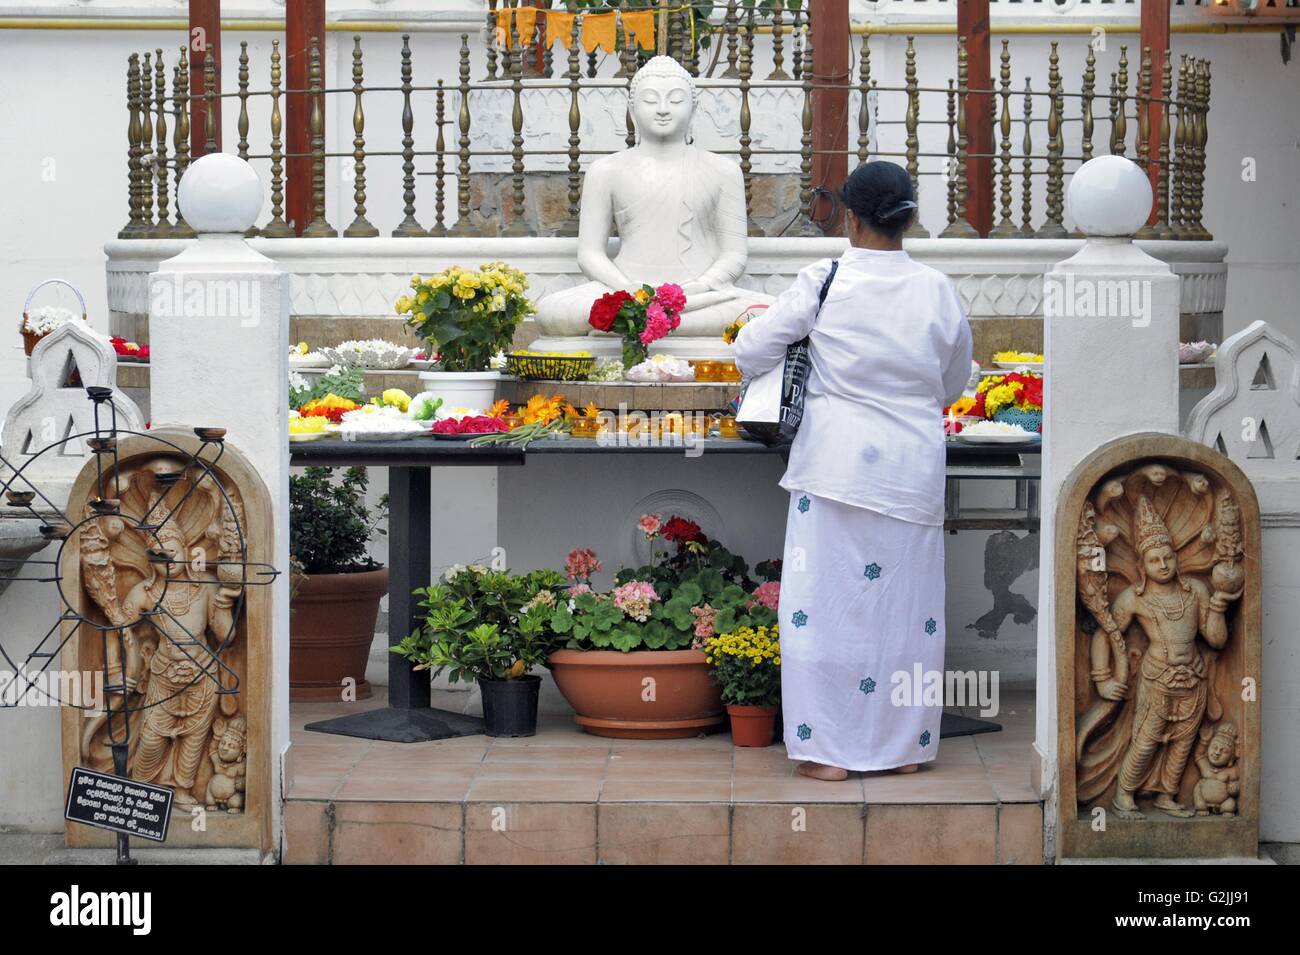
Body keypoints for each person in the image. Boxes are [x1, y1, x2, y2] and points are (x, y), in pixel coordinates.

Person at [733, 160, 973, 780]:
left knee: (826, 605)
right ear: (911, 217)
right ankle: (902, 751)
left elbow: (749, 350)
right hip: (911, 468)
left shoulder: (825, 279)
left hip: (836, 467)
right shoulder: (936, 289)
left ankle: (827, 753)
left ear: (848, 214)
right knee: (907, 609)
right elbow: (952, 383)